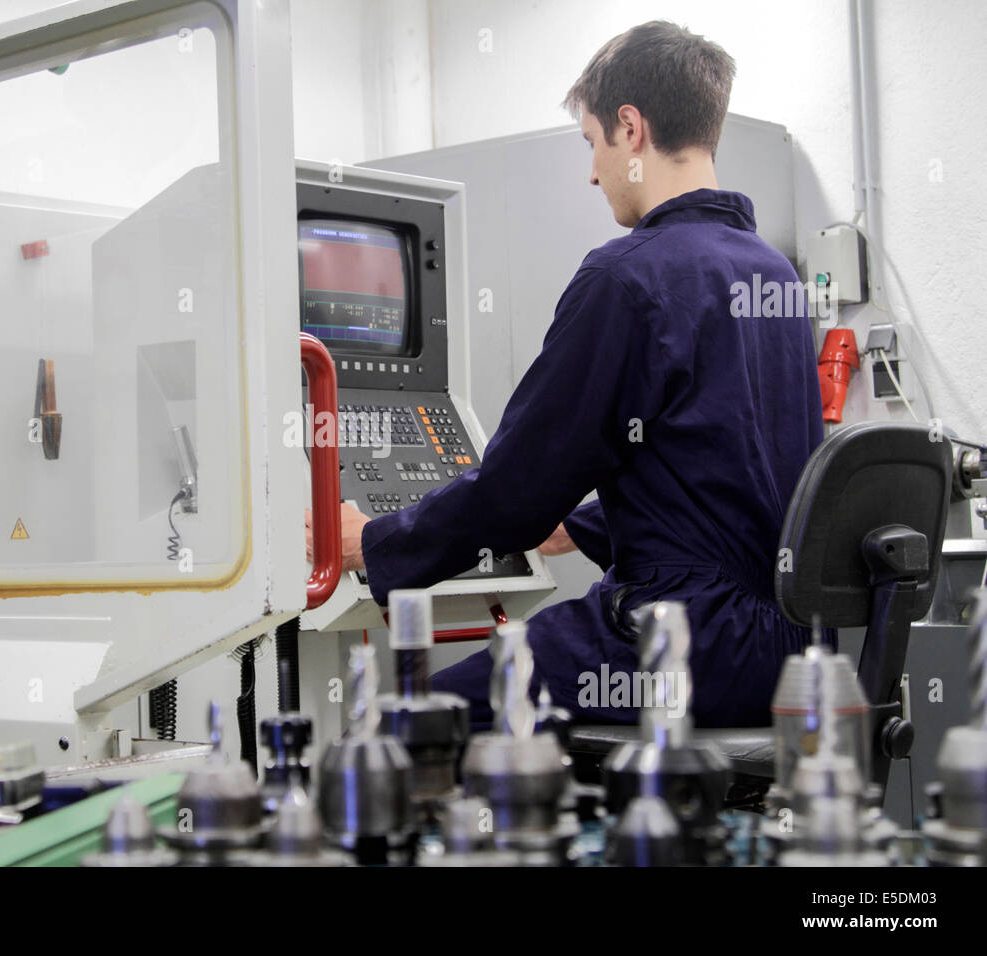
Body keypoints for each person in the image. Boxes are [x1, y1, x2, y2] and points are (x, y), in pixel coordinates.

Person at [306, 20, 824, 728]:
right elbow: (736, 473)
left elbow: (513, 491)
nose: (591, 171)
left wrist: (369, 541)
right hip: (787, 653)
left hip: (679, 645)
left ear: (631, 129)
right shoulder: (775, 277)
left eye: (591, 142)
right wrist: (579, 529)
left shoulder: (627, 279)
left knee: (400, 727)